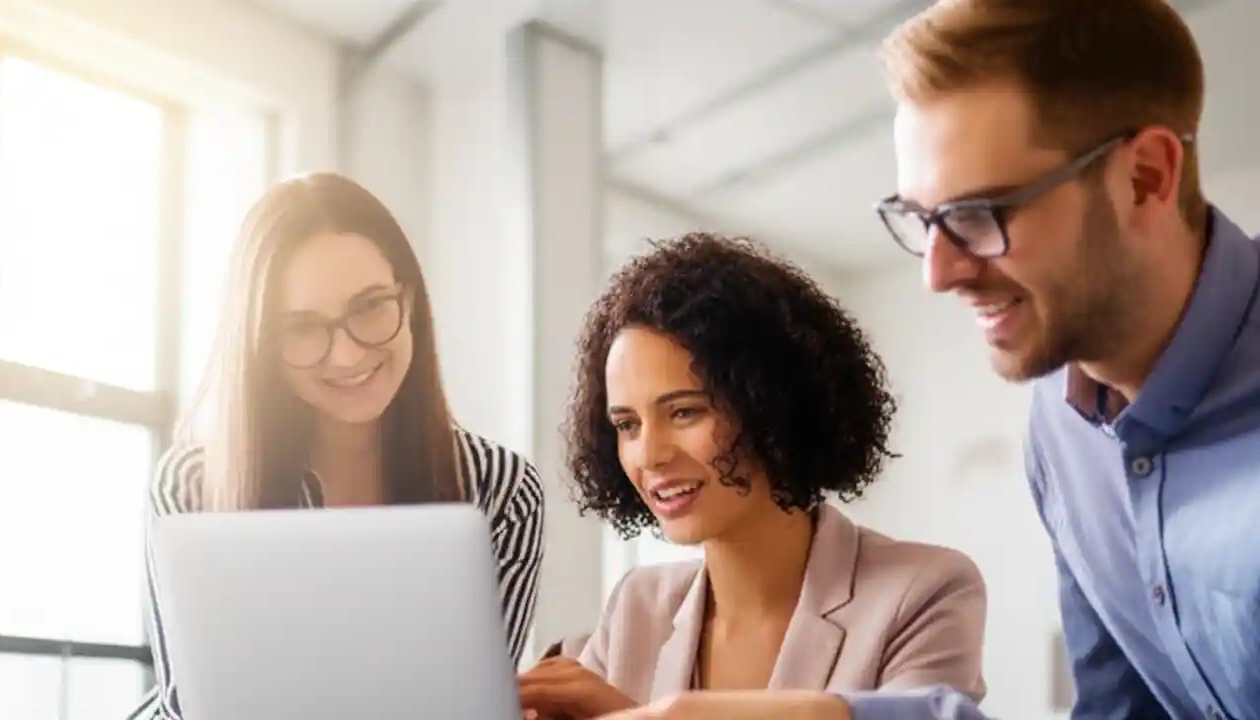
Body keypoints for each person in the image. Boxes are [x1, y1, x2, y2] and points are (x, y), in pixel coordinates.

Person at [875, 0, 1260, 718]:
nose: (938, 273)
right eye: (921, 219)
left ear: (1145, 177)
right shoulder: (1058, 427)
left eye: (979, 214)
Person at [517, 234, 988, 720]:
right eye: (626, 425)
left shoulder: (925, 590)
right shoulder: (636, 607)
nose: (649, 454)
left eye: (684, 412)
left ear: (772, 406)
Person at [128, 173, 545, 720]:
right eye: (302, 328)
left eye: (370, 306)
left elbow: (466, 710)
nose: (346, 355)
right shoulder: (190, 482)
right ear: (261, 346)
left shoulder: (502, 491)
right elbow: (189, 708)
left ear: (410, 300)